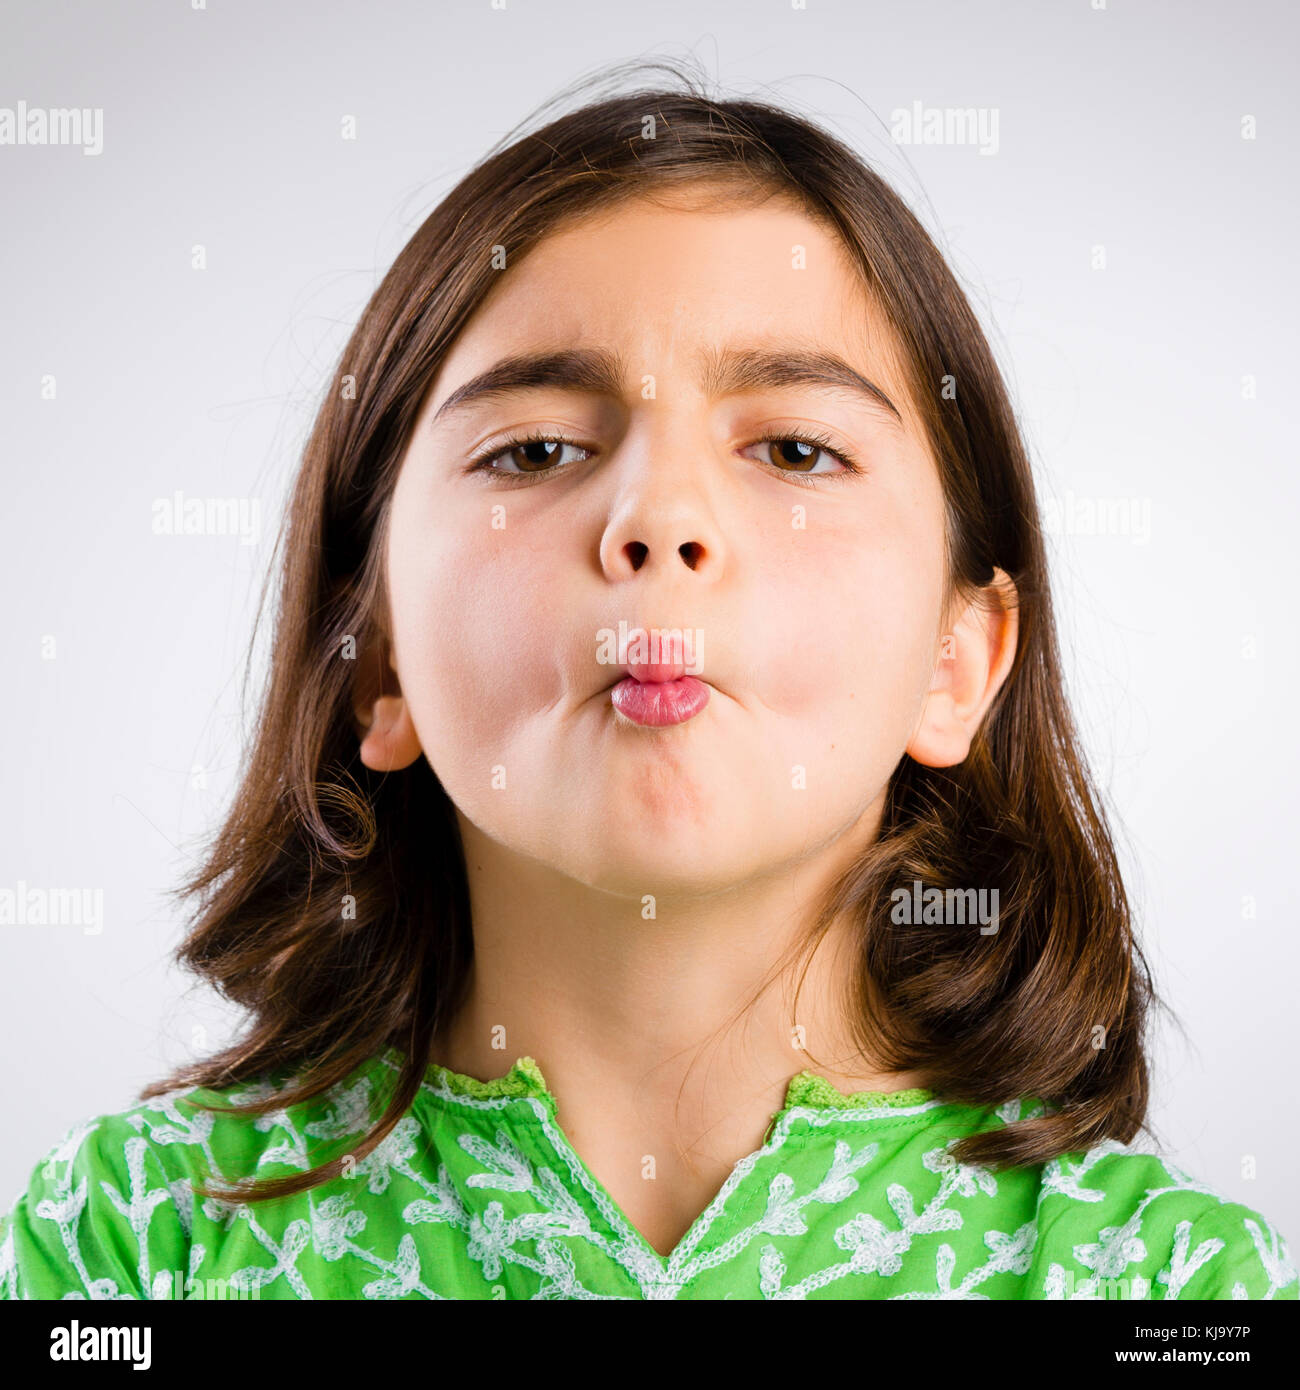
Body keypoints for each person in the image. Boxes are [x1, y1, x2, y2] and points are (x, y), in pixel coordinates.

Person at [2, 68, 1294, 1301]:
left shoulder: (1171, 1287)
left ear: (955, 664)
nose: (660, 518)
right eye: (537, 450)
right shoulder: (130, 1247)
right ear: (373, 659)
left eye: (796, 449)